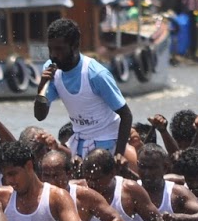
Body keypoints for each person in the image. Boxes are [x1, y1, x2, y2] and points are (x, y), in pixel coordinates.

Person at [34, 17, 133, 157]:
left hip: (107, 140)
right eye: (50, 49)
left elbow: (126, 115)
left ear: (74, 46)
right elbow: (40, 116)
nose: (53, 55)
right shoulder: (50, 70)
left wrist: (119, 156)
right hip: (80, 141)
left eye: (59, 49)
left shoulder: (96, 74)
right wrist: (42, 86)